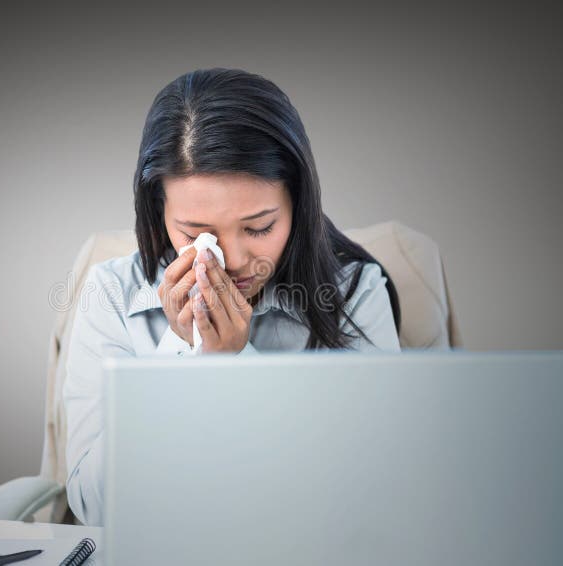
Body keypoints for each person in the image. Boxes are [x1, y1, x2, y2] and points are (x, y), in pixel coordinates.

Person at [63, 68, 402, 526]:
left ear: (298, 207)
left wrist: (237, 362)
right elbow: (94, 508)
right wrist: (183, 355)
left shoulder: (355, 295)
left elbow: (369, 495)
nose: (236, 260)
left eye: (259, 227)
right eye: (197, 235)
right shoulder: (109, 295)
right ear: (158, 212)